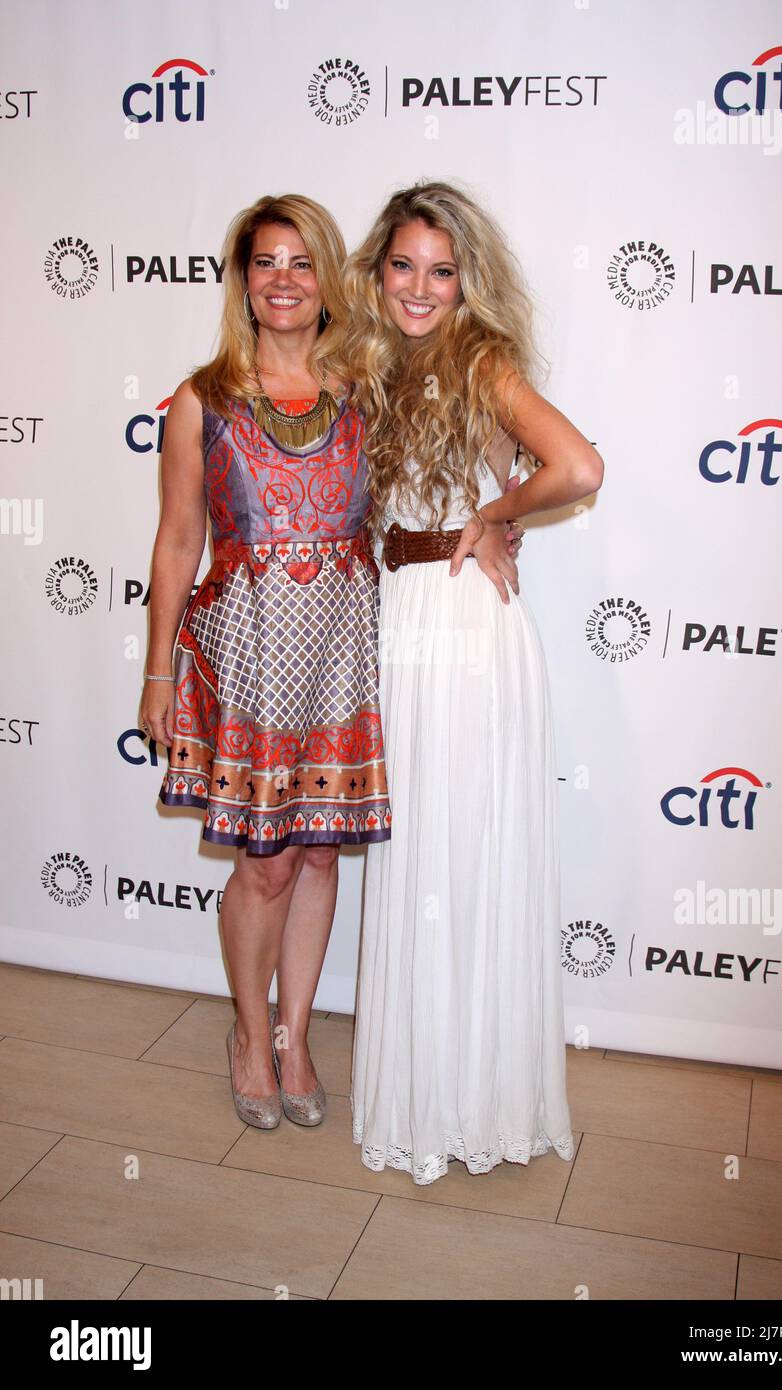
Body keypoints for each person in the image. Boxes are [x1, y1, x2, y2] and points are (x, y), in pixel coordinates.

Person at [343, 180, 605, 1183]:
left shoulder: (480, 364)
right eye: (402, 265)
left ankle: (465, 1104)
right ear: (378, 273)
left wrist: (495, 515)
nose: (418, 287)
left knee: (458, 856)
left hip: (459, 628)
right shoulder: (371, 368)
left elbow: (576, 467)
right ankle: (441, 1096)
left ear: (467, 283)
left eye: (440, 271)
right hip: (406, 619)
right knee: (432, 864)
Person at [140, 194, 391, 1130]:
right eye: (265, 263)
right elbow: (175, 543)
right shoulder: (202, 399)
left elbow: (445, 477)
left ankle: (296, 1037)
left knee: (321, 853)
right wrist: (158, 672)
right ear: (242, 279)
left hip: (342, 648)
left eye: (302, 263)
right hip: (245, 652)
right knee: (268, 866)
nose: (282, 280)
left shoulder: (368, 389)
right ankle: (249, 1036)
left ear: (328, 281)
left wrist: (494, 528)